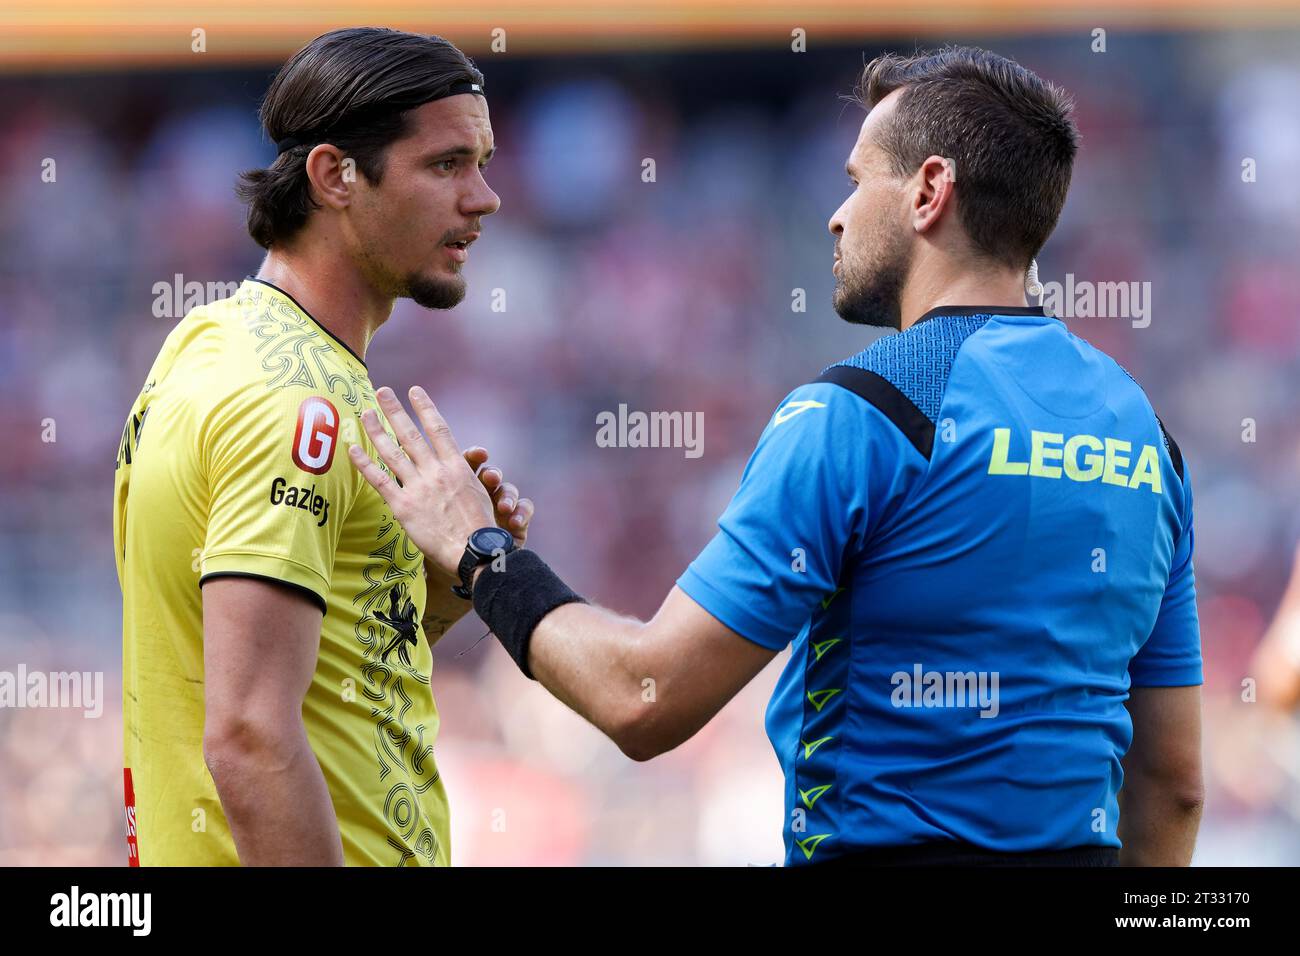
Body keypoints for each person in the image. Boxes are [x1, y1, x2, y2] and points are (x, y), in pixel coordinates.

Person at [350, 46, 1205, 867]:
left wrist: (483, 555)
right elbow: (1173, 787)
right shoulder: (1144, 434)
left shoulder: (868, 410)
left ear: (929, 191)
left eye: (856, 179)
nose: (835, 213)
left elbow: (642, 698)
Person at [113, 27, 531, 865]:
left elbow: (330, 664)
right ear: (335, 175)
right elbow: (249, 737)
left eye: (481, 163)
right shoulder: (295, 406)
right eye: (447, 165)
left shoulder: (209, 340)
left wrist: (444, 580)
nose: (484, 198)